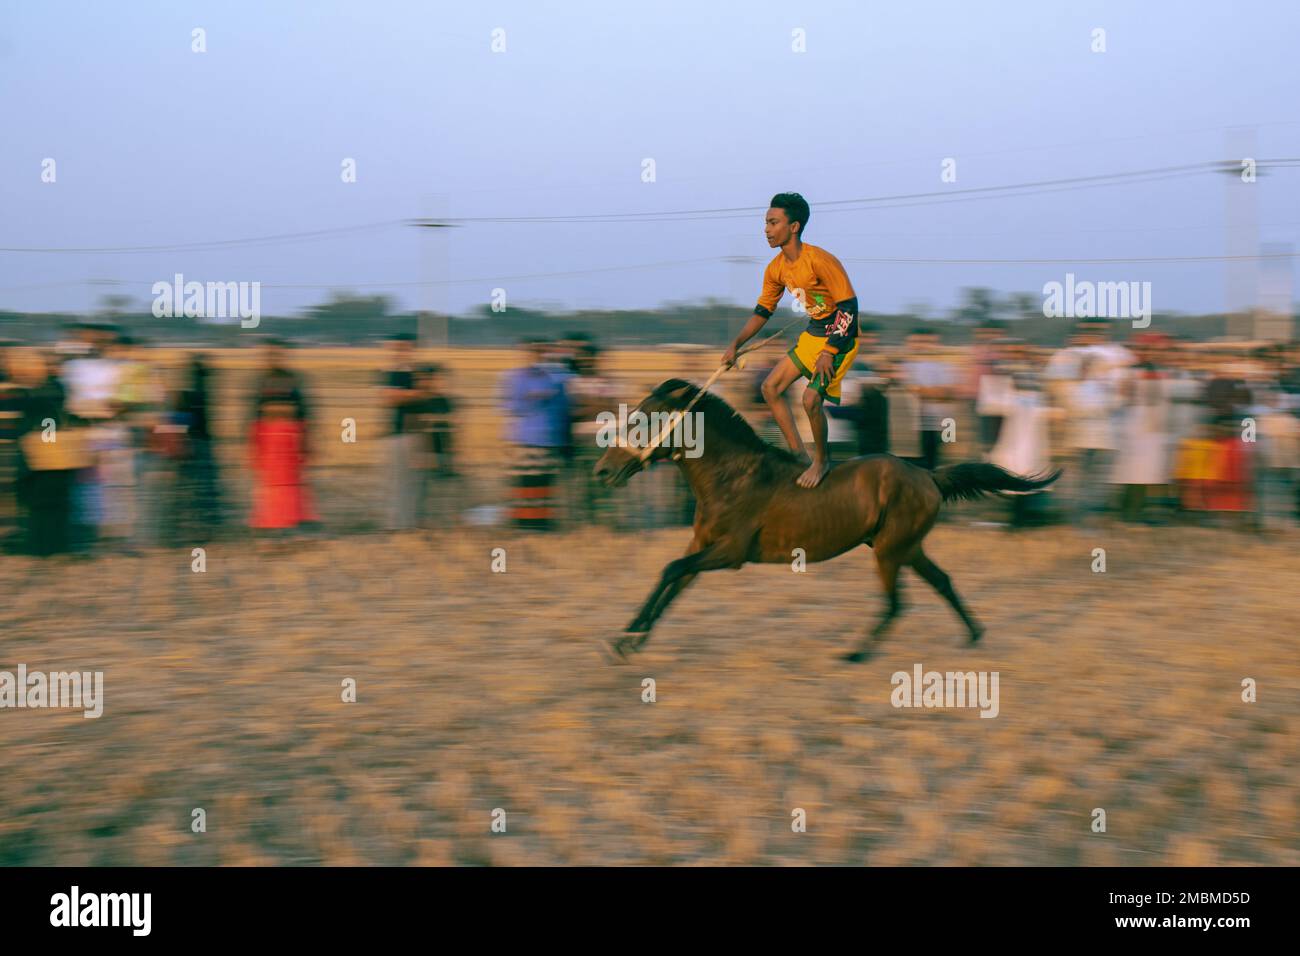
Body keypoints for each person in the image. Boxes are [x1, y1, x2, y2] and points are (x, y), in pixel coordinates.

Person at [721, 192, 861, 487]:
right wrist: (736, 344)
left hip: (841, 336)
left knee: (810, 398)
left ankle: (822, 463)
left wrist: (829, 351)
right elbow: (763, 311)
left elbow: (849, 307)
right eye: (766, 223)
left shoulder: (820, 260)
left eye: (773, 223)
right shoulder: (775, 268)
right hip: (813, 334)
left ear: (793, 226)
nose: (767, 229)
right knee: (770, 387)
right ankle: (798, 456)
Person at [247, 338, 315, 535]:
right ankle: (271, 521)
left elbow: (303, 412)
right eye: (269, 354)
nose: (273, 358)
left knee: (291, 482)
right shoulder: (260, 381)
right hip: (268, 439)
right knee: (269, 482)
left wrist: (307, 440)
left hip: (289, 439)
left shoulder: (293, 380)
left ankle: (291, 520)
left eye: (277, 353)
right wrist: (253, 443)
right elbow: (254, 413)